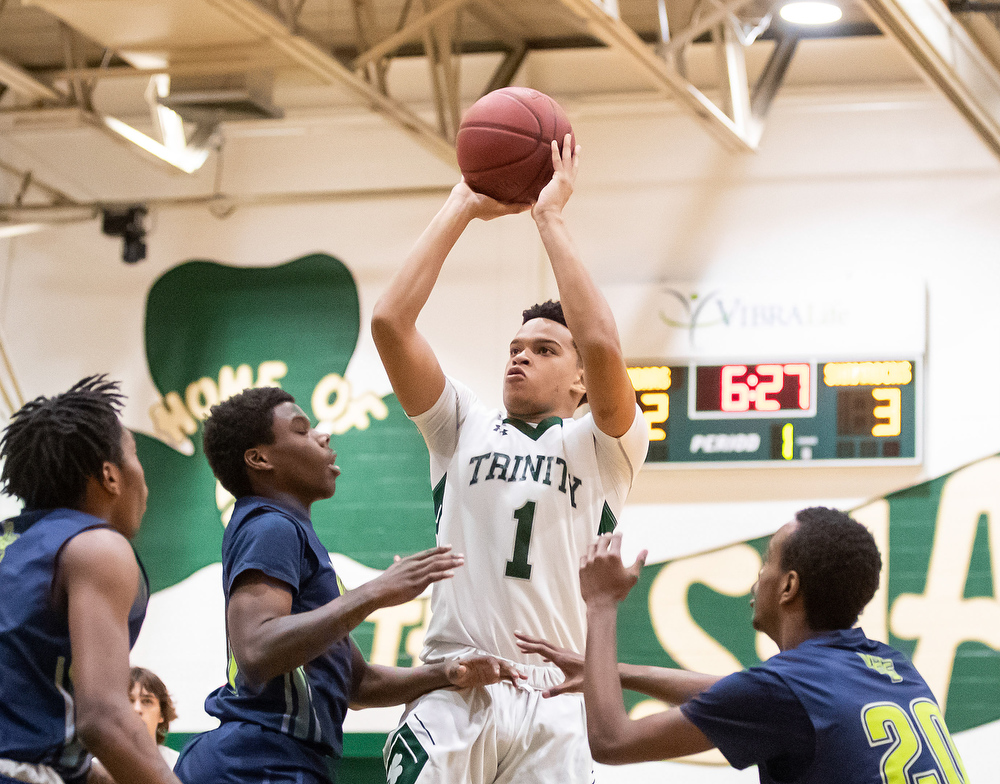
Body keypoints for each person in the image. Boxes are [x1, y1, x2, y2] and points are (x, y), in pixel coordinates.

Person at [370, 137, 649, 783]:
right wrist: (461, 204)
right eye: (516, 346)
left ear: (581, 383)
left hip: (556, 693)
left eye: (546, 350)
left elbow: (603, 343)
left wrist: (549, 217)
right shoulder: (460, 422)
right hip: (456, 680)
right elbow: (390, 322)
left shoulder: (604, 448)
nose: (520, 356)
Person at [174, 386, 519, 784]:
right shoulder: (270, 525)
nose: (323, 435)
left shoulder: (293, 535)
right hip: (253, 760)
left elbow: (358, 683)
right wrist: (373, 593)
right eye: (301, 430)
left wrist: (448, 673)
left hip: (283, 760)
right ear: (259, 458)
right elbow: (256, 649)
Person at [520, 507, 968, 784]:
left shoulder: (786, 691)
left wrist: (601, 603)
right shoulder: (889, 665)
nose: (759, 575)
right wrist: (615, 674)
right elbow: (746, 695)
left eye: (767, 560)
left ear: (789, 586)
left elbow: (612, 742)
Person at [0, 376, 182, 784]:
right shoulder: (95, 547)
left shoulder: (11, 541)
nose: (144, 480)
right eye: (136, 457)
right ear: (110, 476)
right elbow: (104, 720)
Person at [129, 667, 180, 769]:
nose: (137, 709)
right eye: (129, 700)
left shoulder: (178, 765)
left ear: (161, 714)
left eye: (147, 701)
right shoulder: (97, 769)